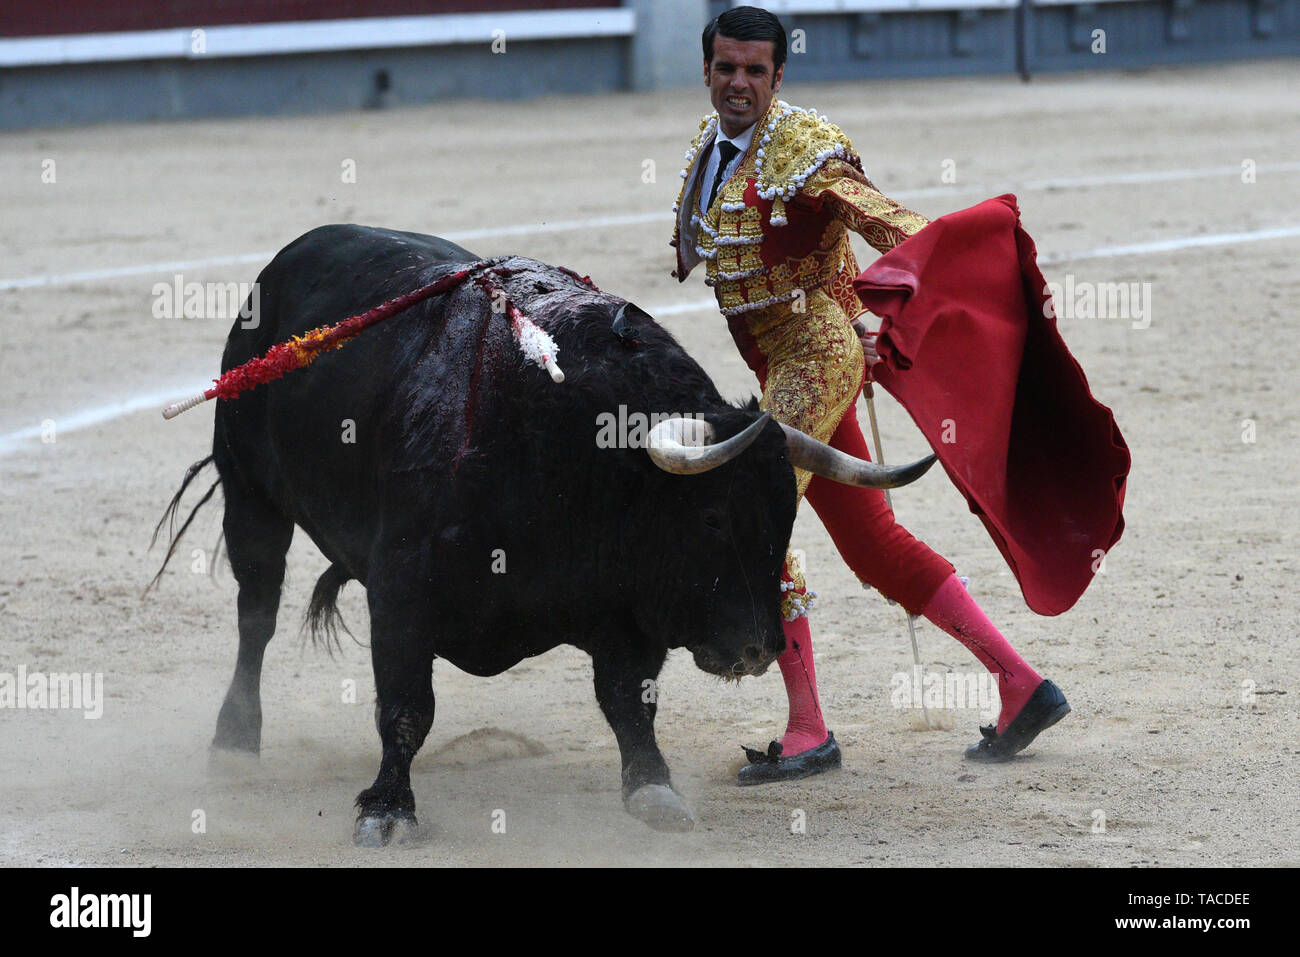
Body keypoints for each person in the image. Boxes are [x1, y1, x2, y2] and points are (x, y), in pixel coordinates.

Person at [669, 6, 1070, 783]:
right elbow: (787, 252)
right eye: (726, 68)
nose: (739, 83)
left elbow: (883, 222)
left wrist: (893, 301)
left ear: (780, 77)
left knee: (754, 512)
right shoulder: (706, 149)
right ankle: (1022, 685)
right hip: (784, 362)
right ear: (708, 72)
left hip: (815, 359)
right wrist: (854, 306)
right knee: (873, 545)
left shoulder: (805, 150)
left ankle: (808, 726)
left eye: (756, 71)